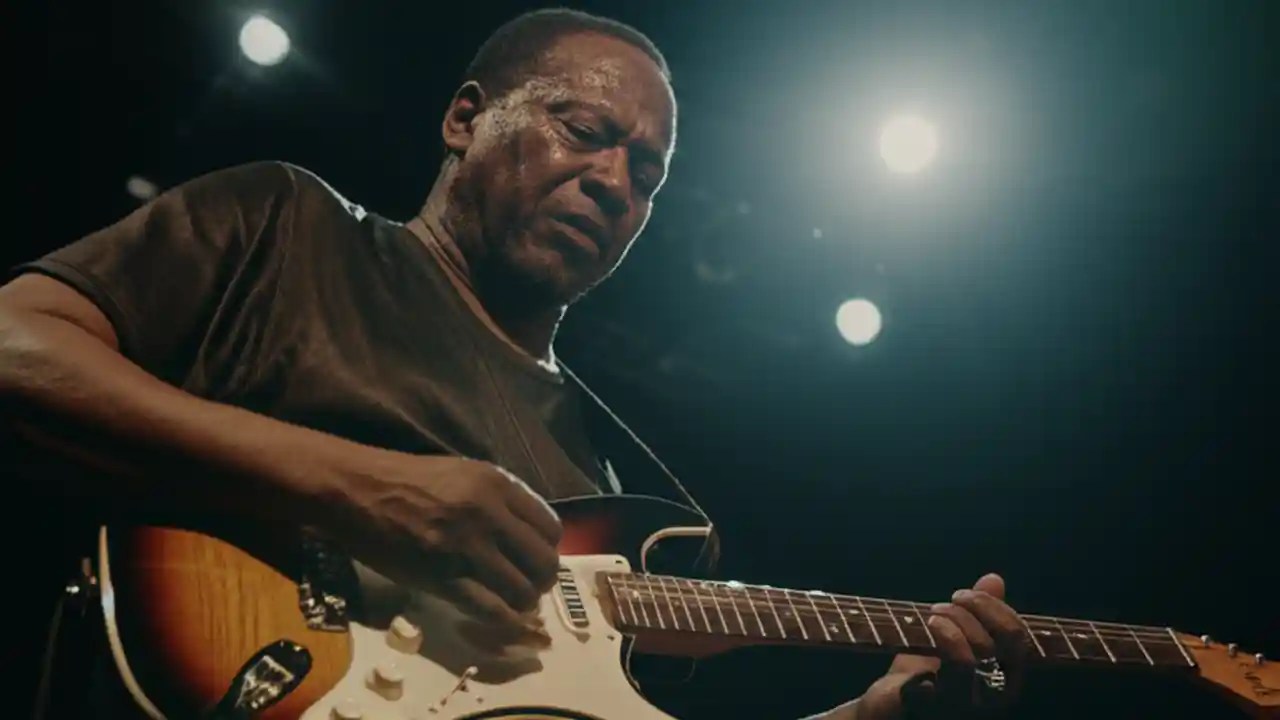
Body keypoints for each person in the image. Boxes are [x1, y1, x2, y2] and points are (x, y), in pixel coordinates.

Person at [1, 8, 1030, 719]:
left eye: (647, 173)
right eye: (583, 131)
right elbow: (18, 346)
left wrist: (877, 712)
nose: (614, 182)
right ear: (466, 118)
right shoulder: (288, 224)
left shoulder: (625, 488)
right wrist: (363, 488)